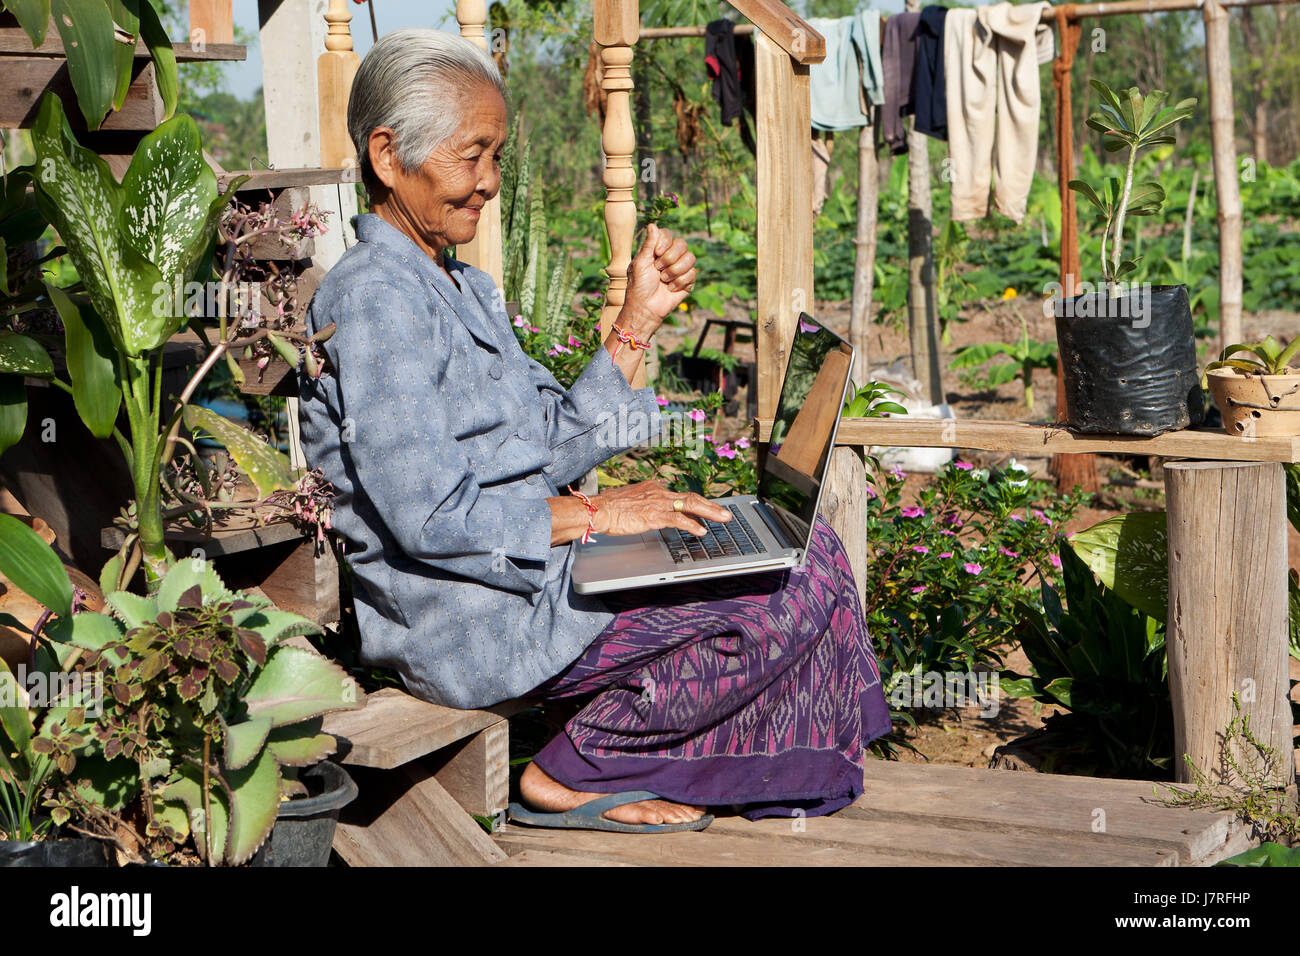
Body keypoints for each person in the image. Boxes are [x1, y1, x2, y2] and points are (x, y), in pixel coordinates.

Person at [298, 28, 892, 832]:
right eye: (472, 156)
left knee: (804, 549)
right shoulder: (374, 298)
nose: (490, 183)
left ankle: (658, 753)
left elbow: (549, 436)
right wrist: (599, 517)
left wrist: (637, 321)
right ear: (386, 153)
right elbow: (429, 517)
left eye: (496, 157)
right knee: (781, 596)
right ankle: (572, 767)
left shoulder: (458, 284)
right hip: (473, 618)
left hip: (537, 572)